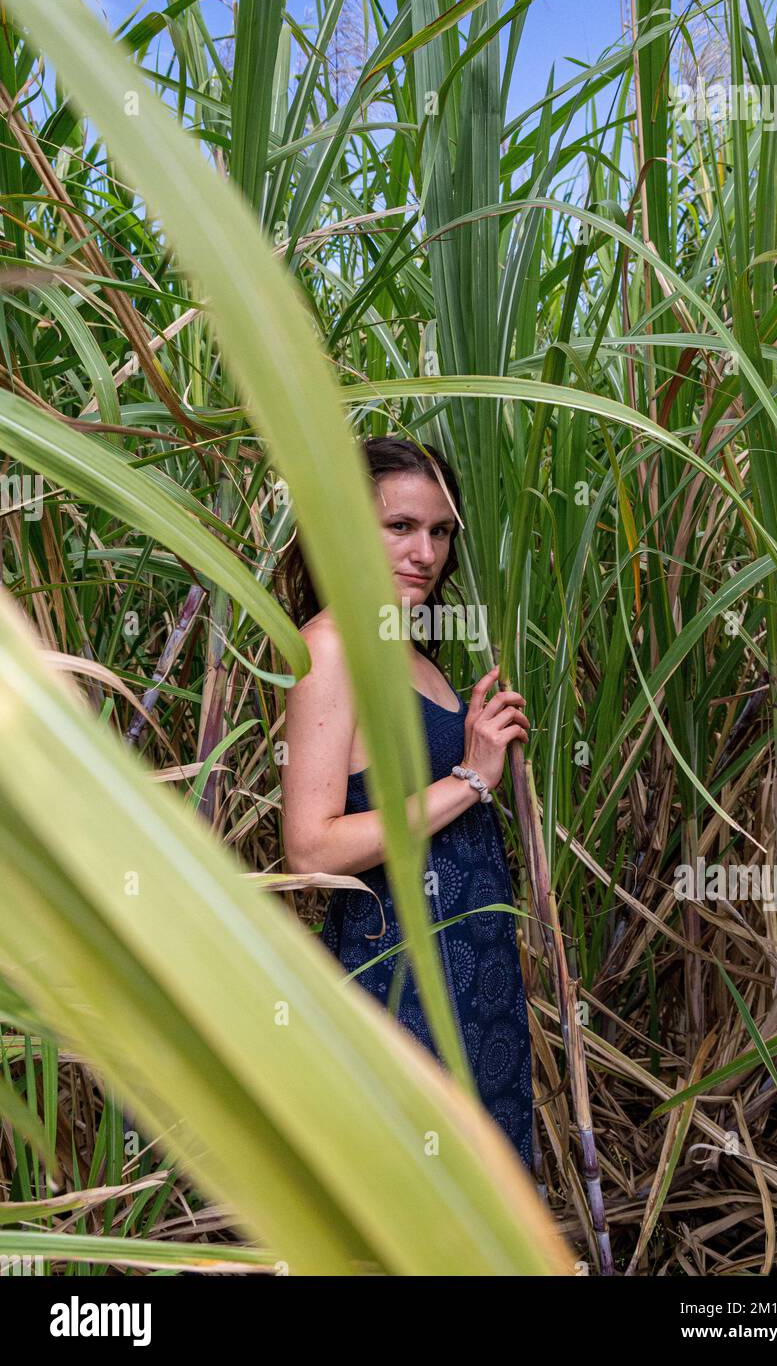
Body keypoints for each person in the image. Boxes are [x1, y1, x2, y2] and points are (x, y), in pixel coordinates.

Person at [277, 436, 535, 1169]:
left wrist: (487, 746)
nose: (425, 551)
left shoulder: (414, 654)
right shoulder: (329, 650)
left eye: (441, 531)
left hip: (474, 969)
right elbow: (310, 847)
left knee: (485, 1197)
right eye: (401, 527)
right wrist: (469, 778)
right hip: (397, 971)